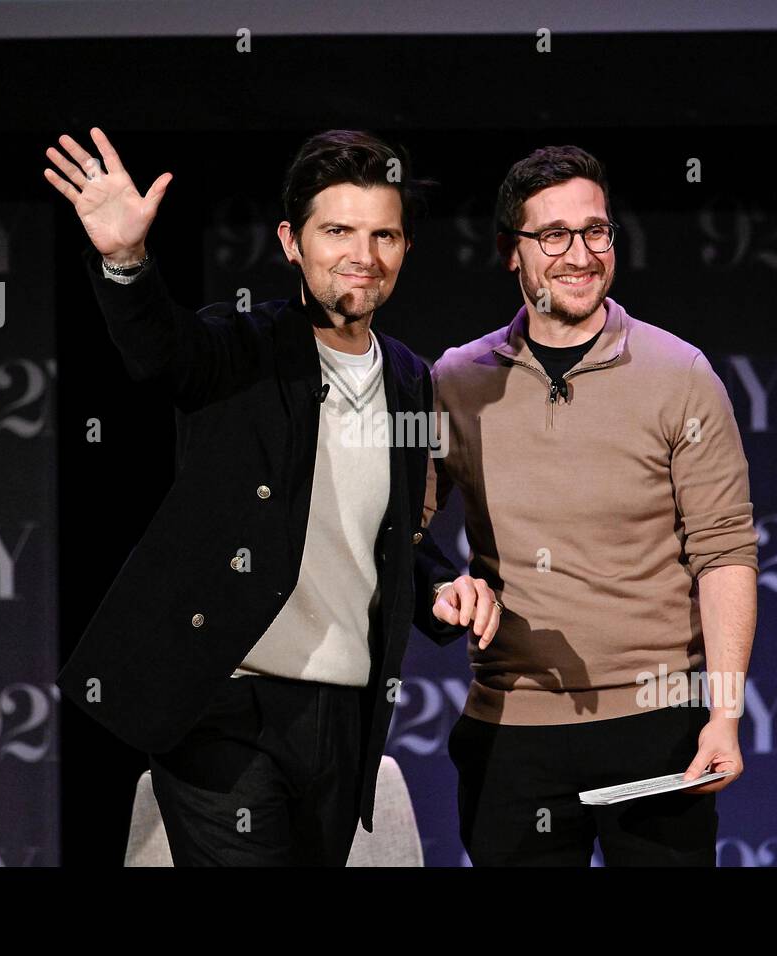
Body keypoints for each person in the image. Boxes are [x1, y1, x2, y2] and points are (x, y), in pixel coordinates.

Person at [44, 127, 498, 865]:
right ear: (293, 242)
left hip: (342, 711)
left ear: (407, 248)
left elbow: (387, 536)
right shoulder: (240, 346)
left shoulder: (412, 379)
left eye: (384, 234)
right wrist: (125, 262)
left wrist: (443, 586)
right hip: (228, 704)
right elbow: (163, 351)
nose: (363, 253)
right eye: (338, 230)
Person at [424, 145, 759, 866]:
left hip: (657, 728)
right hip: (510, 731)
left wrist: (725, 715)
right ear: (511, 253)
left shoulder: (680, 375)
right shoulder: (457, 380)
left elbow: (724, 552)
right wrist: (443, 588)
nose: (579, 254)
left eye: (595, 231)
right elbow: (403, 532)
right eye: (553, 236)